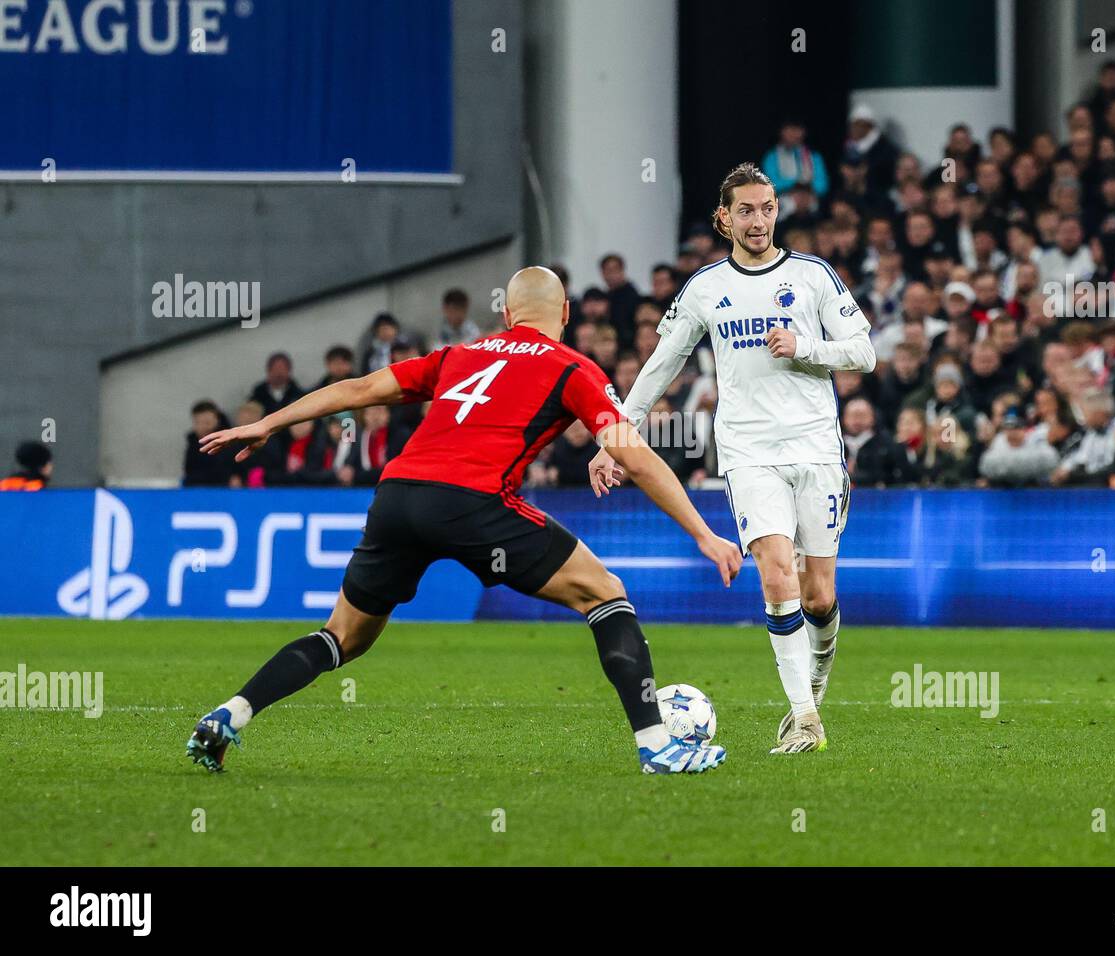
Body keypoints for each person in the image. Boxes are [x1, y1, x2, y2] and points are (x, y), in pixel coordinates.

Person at [188, 267, 741, 776]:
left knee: (343, 638)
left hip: (397, 497)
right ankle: (657, 745)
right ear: (567, 314)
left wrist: (267, 424)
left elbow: (357, 390)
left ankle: (229, 714)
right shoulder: (572, 367)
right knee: (605, 594)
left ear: (507, 314)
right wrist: (703, 532)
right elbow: (637, 456)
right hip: (473, 502)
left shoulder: (458, 355)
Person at [589, 162, 876, 755]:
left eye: (767, 208)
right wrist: (619, 432)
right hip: (747, 451)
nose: (758, 220)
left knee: (818, 594)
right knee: (775, 571)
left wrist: (806, 348)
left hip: (817, 446)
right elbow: (663, 362)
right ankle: (804, 719)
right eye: (745, 210)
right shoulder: (705, 288)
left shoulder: (813, 274)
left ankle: (815, 682)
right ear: (724, 218)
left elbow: (864, 352)